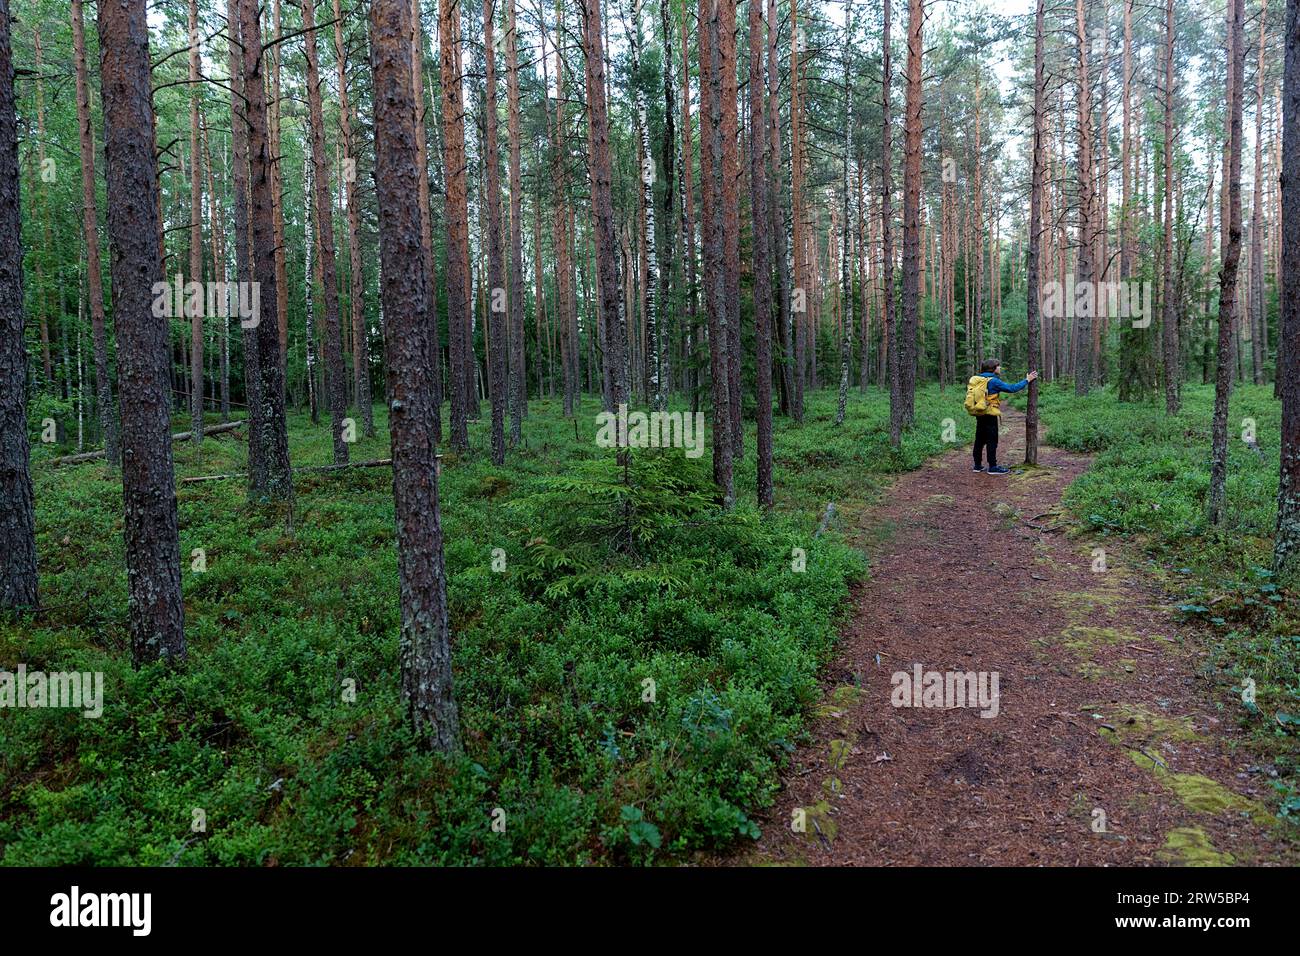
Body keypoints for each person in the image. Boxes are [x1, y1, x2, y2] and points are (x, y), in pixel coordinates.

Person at [966, 359, 1038, 475]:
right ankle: (993, 467)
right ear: (993, 368)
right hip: (990, 413)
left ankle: (977, 465)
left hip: (979, 412)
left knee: (979, 439)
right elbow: (1012, 388)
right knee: (992, 440)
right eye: (998, 366)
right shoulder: (994, 381)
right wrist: (1027, 380)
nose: (1000, 368)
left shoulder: (977, 379)